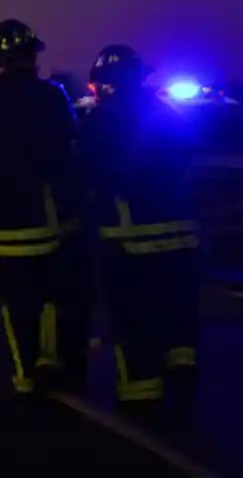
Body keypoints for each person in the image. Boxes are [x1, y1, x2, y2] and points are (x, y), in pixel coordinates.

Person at [79, 44, 199, 409]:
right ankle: (182, 369)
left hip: (128, 240)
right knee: (177, 312)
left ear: (105, 85)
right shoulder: (168, 113)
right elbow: (188, 159)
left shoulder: (100, 122)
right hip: (180, 239)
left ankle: (139, 394)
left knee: (132, 318)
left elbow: (88, 174)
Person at [0, 19, 80, 395]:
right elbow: (68, 152)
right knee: (51, 293)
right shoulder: (52, 98)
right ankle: (48, 357)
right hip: (46, 218)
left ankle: (23, 376)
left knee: (12, 302)